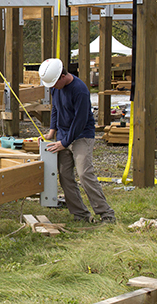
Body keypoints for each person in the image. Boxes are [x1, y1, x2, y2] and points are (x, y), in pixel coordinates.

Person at [40, 58, 116, 224]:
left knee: (84, 174)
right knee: (64, 175)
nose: (52, 88)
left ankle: (106, 214)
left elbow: (79, 122)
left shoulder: (79, 90)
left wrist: (64, 143)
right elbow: (56, 109)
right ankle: (80, 213)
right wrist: (51, 132)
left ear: (62, 76)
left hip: (82, 135)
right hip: (63, 136)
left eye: (54, 84)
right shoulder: (55, 88)